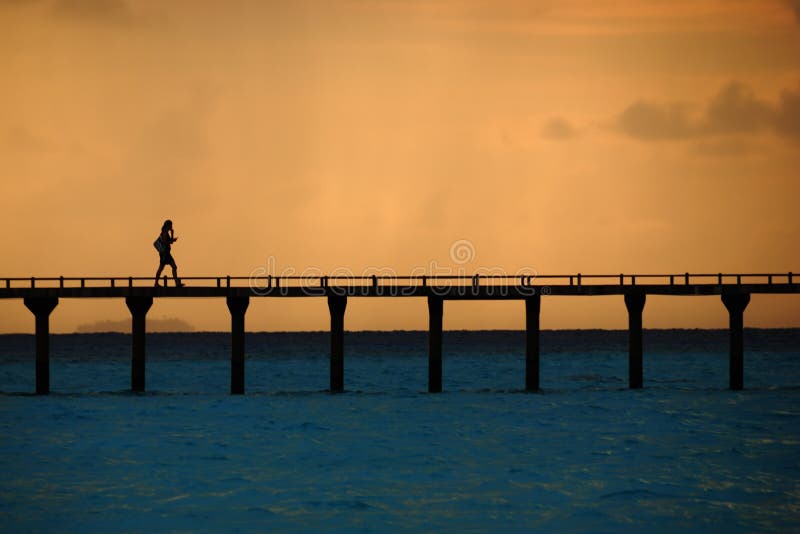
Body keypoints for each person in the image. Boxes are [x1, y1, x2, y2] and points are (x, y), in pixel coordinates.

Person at [154, 219, 184, 287]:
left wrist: (172, 234)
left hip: (165, 254)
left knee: (162, 268)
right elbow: (166, 242)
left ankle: (156, 283)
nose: (171, 226)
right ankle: (176, 283)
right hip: (165, 254)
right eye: (171, 225)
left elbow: (170, 242)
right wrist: (172, 240)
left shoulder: (166, 233)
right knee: (173, 267)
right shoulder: (164, 233)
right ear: (168, 225)